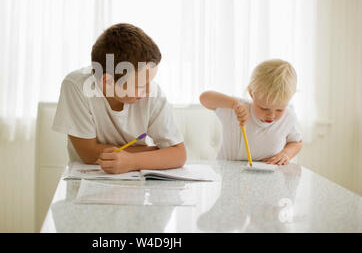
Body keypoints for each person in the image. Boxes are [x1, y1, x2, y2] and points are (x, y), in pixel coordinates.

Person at [53, 23, 186, 174]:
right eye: (140, 85)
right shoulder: (77, 86)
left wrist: (132, 161)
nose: (148, 90)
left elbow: (179, 154)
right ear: (107, 81)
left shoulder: (152, 92)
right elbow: (88, 154)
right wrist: (153, 152)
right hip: (87, 180)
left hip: (135, 180)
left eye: (151, 81)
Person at [199, 59, 302, 165]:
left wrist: (286, 154)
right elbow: (204, 98)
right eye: (264, 108)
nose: (271, 115)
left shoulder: (288, 117)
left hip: (269, 173)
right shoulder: (237, 108)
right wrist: (234, 104)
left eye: (279, 109)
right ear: (252, 94)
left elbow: (296, 142)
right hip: (229, 172)